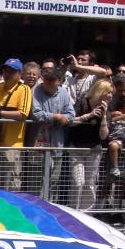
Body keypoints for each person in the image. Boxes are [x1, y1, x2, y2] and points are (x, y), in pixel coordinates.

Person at [27, 66, 75, 201]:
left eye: (51, 80)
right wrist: (56, 117)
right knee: (36, 182)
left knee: (53, 182)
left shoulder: (64, 93)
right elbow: (36, 113)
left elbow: (71, 114)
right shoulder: (36, 91)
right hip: (38, 146)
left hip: (57, 145)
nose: (47, 83)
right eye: (46, 79)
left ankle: (50, 208)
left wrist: (57, 119)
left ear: (59, 81)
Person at [68, 79, 111, 211]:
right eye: (108, 92)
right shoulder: (82, 102)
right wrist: (88, 116)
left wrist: (103, 117)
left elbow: (103, 136)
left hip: (94, 149)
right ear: (100, 91)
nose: (110, 96)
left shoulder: (106, 109)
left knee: (90, 183)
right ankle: (74, 211)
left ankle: (87, 213)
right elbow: (70, 122)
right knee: (78, 182)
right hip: (77, 147)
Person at [0, 57, 32, 191]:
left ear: (20, 74)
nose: (7, 74)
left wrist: (0, 112)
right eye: (5, 70)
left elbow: (23, 114)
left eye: (12, 71)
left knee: (11, 183)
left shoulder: (24, 89)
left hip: (13, 145)